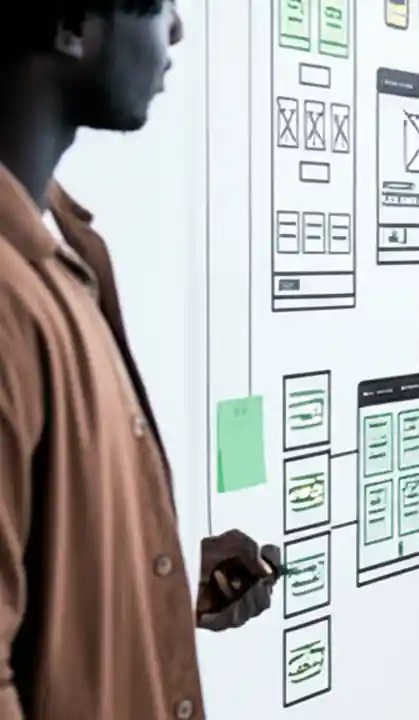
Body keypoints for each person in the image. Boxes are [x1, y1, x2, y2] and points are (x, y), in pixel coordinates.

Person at [0, 3, 281, 718]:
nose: (177, 30)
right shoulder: (9, 296)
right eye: (156, 5)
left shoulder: (61, 247)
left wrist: (153, 583)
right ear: (69, 20)